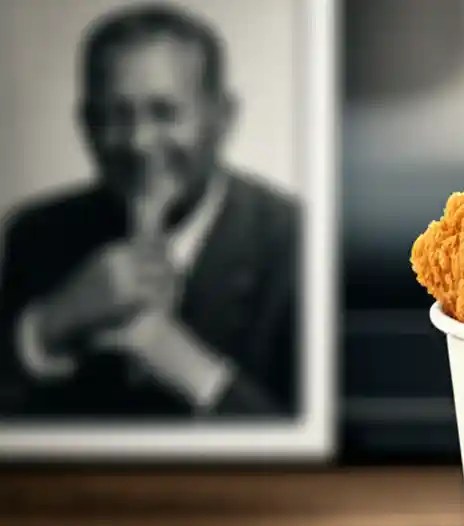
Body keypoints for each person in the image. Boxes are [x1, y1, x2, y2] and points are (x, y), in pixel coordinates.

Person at [0, 2, 299, 418]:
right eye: (115, 115)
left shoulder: (298, 245)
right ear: (86, 125)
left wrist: (193, 370)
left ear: (222, 118)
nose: (138, 142)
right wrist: (50, 325)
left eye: (165, 113)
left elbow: (322, 446)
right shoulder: (36, 235)